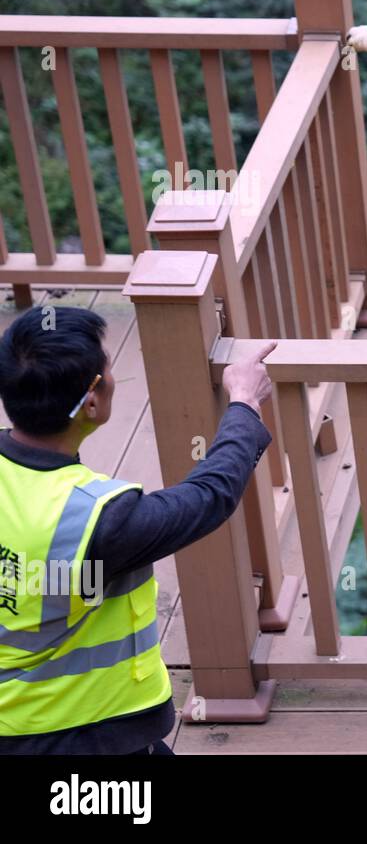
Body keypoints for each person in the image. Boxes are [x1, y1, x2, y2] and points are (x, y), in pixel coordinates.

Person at [0, 304, 276, 754]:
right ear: (92, 400)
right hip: (74, 733)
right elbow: (209, 496)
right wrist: (244, 403)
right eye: (106, 369)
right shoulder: (96, 521)